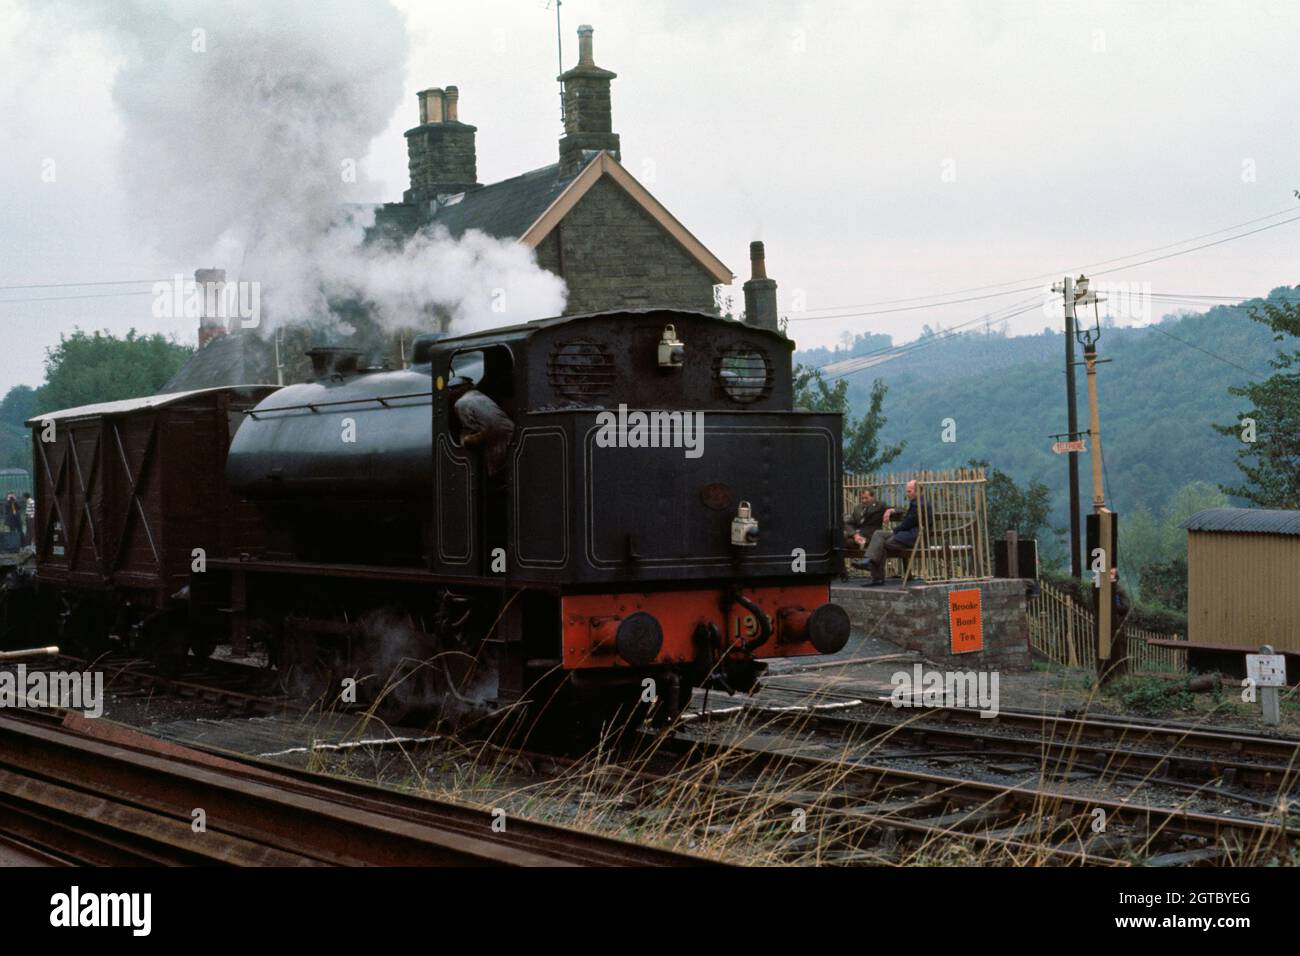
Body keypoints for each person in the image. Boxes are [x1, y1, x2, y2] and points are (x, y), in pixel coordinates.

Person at [448, 377, 515, 477]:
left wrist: (464, 440)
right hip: (512, 438)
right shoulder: (480, 396)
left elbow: (473, 432)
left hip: (497, 447)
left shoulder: (461, 403)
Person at [860, 479, 921, 586]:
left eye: (909, 491)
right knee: (879, 536)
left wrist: (893, 526)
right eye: (906, 491)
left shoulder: (918, 505)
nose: (907, 494)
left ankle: (874, 572)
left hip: (911, 537)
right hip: (906, 534)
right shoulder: (916, 503)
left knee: (880, 542)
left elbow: (907, 523)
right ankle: (869, 562)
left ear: (918, 491)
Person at [844, 488, 888, 559]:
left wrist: (890, 511)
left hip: (870, 537)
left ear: (873, 497)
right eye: (862, 498)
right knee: (839, 539)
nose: (864, 500)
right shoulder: (858, 508)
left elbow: (898, 510)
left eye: (866, 498)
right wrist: (855, 535)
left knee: (847, 542)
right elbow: (849, 523)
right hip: (857, 536)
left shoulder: (880, 505)